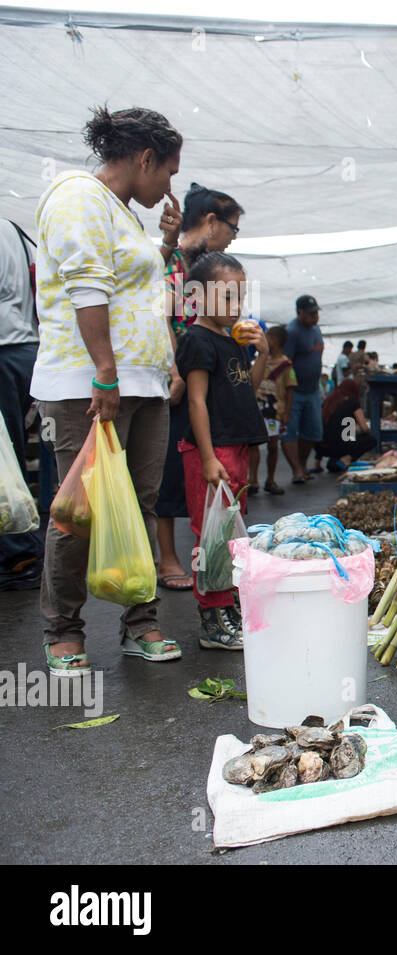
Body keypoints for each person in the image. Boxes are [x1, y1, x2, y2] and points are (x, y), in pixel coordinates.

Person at [33, 104, 184, 672]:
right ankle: (62, 629)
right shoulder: (78, 196)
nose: (169, 185)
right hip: (88, 385)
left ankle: (139, 622)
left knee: (139, 507)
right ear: (145, 158)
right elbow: (87, 289)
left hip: (141, 385)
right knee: (82, 509)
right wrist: (105, 372)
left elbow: (134, 291)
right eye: (168, 171)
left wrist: (165, 247)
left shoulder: (124, 214)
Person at [176, 252, 268, 649]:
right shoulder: (196, 341)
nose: (237, 307)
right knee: (210, 536)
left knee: (230, 533)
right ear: (197, 297)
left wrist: (263, 351)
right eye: (228, 297)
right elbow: (196, 401)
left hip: (236, 447)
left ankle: (227, 604)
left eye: (241, 297)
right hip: (210, 452)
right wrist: (209, 457)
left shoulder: (232, 339)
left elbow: (248, 385)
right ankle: (211, 617)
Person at [157, 181, 243, 588]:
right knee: (175, 472)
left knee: (198, 475)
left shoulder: (210, 274)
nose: (232, 238)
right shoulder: (174, 263)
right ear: (212, 222)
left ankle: (215, 570)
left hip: (201, 372)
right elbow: (164, 318)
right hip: (179, 375)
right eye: (233, 228)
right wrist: (175, 369)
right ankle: (169, 558)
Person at [0, 219, 42, 590]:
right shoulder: (17, 230)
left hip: (5, 349)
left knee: (6, 459)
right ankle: (22, 548)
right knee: (11, 454)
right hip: (26, 349)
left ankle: (18, 553)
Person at [283, 294, 324, 484]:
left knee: (313, 431)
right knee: (290, 431)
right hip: (295, 391)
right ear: (299, 313)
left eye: (316, 312)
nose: (314, 316)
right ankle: (296, 470)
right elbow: (285, 363)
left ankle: (302, 464)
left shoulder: (316, 330)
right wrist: (289, 387)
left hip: (313, 390)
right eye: (310, 314)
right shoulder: (292, 332)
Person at [248, 324, 294, 495]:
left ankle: (270, 479)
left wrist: (287, 412)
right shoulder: (258, 361)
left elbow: (290, 389)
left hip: (275, 412)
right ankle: (252, 480)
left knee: (273, 446)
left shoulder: (286, 365)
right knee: (254, 445)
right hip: (257, 409)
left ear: (274, 341)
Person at [317, 379, 377, 471]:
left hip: (322, 446)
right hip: (342, 445)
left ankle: (318, 463)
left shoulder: (329, 400)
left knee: (331, 434)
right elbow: (365, 429)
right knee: (370, 439)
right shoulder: (352, 402)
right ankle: (345, 459)